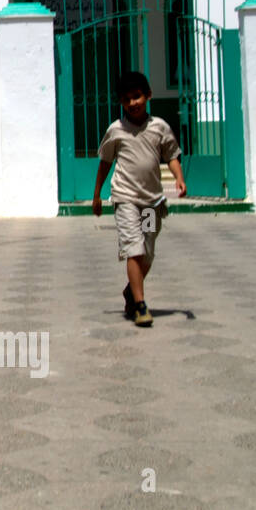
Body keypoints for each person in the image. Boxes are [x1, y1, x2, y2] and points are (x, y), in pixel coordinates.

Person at [92, 71, 186, 327]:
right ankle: (140, 305)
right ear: (120, 102)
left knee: (146, 253)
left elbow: (172, 155)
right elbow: (105, 163)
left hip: (151, 203)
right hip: (126, 199)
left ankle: (130, 291)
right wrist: (97, 194)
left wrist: (179, 178)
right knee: (134, 248)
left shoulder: (160, 127)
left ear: (148, 96)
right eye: (126, 99)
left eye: (137, 97)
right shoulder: (116, 130)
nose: (133, 103)